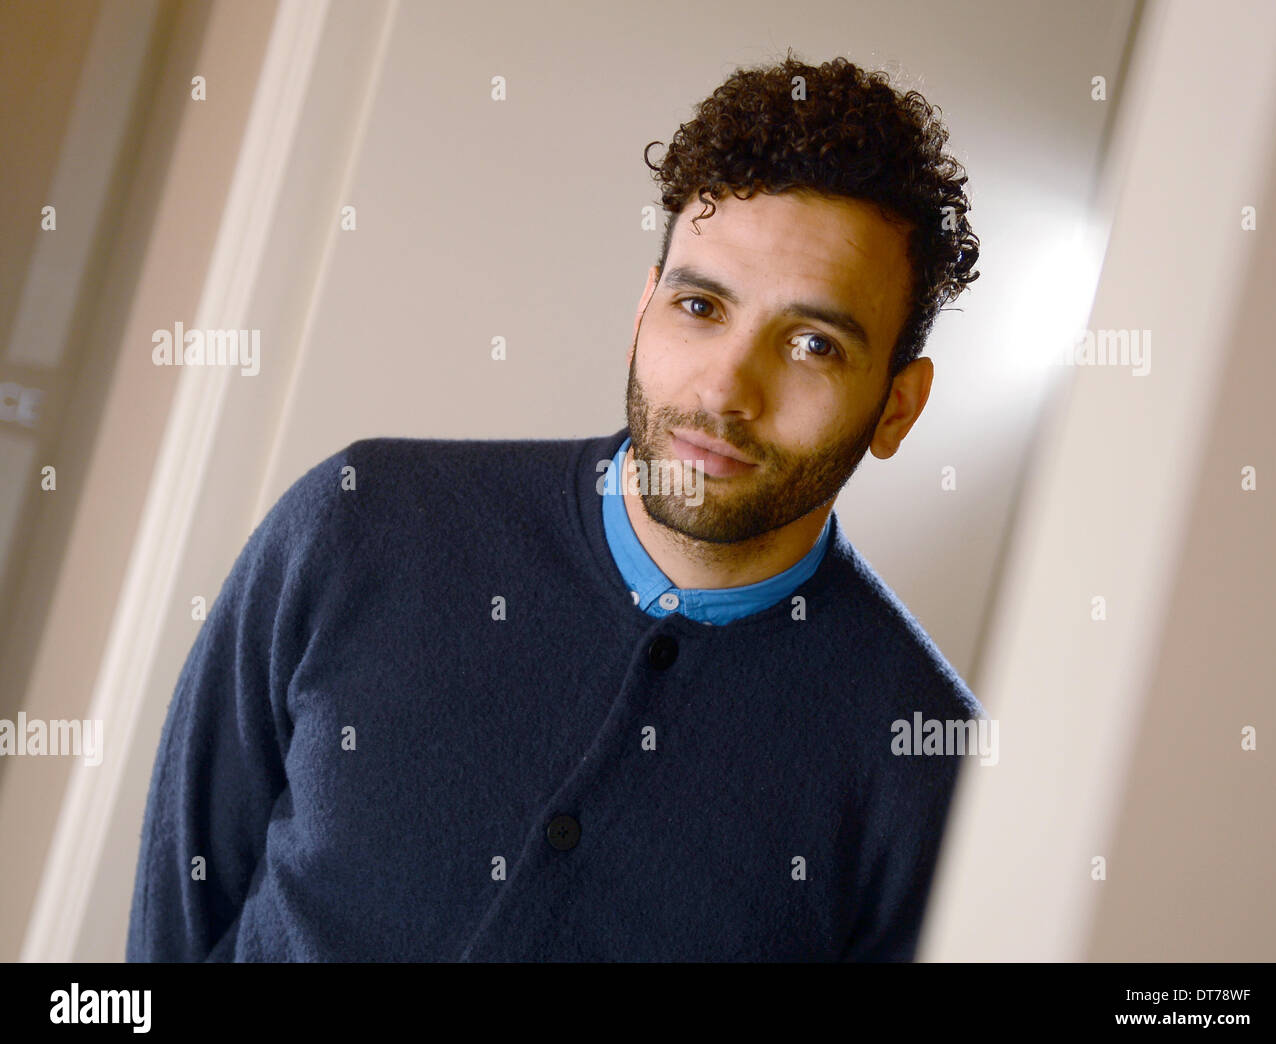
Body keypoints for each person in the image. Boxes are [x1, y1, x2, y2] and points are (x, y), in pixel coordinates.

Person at [127, 50, 983, 963]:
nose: (728, 388)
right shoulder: (357, 524)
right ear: (645, 308)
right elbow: (172, 925)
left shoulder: (932, 768)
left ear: (898, 404)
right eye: (700, 306)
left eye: (812, 342)